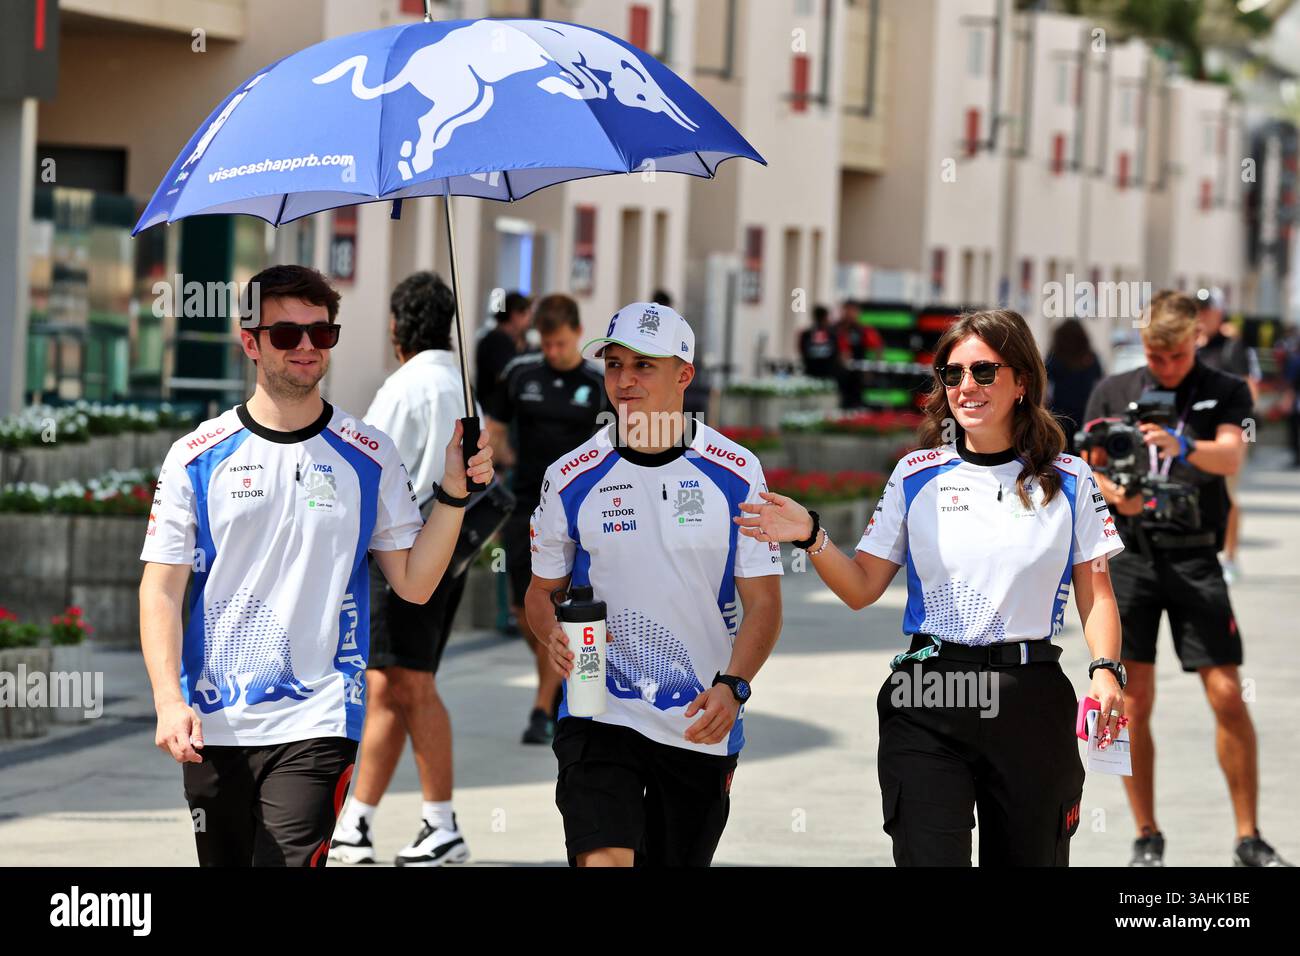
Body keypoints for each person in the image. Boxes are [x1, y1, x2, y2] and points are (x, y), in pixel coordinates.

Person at [737, 308, 1126, 866]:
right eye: (953, 373)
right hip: (928, 693)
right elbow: (862, 587)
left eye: (985, 372)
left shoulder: (1069, 478)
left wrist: (1107, 671)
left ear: (1022, 382)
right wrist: (811, 534)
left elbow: (1097, 592)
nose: (967, 386)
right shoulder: (915, 474)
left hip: (1030, 698)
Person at [139, 264, 493, 867]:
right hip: (214, 724)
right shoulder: (195, 457)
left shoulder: (369, 454)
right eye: (286, 334)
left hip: (321, 716)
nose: (307, 346)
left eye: (321, 333)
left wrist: (455, 494)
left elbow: (414, 582)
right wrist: (169, 700)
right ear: (250, 342)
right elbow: (161, 590)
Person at [532, 302, 784, 867]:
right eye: (614, 364)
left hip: (698, 718)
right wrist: (551, 631)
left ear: (684, 375)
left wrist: (734, 686)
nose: (624, 380)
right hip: (598, 711)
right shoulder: (570, 475)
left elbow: (764, 602)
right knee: (605, 859)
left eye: (643, 366)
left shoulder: (736, 471)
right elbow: (538, 593)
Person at [1083, 290, 1290, 867]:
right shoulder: (1114, 391)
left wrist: (1184, 446)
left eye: (1173, 355)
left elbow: (1232, 458)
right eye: (1154, 354)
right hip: (1131, 558)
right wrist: (1113, 494)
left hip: (1197, 553)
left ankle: (1248, 836)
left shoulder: (1224, 390)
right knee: (1133, 700)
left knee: (1226, 692)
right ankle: (1146, 835)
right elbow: (1086, 470)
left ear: (1196, 340)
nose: (1163, 366)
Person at [329, 272, 485, 866]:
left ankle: (441, 823)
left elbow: (369, 471)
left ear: (396, 327)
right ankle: (356, 825)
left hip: (403, 555)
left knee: (409, 685)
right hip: (448, 550)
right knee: (390, 686)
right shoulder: (462, 384)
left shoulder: (404, 386)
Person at [483, 294, 609, 745]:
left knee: (564, 610)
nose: (552, 352)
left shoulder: (597, 383)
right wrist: (502, 459)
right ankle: (554, 687)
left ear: (577, 333)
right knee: (525, 610)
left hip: (578, 516)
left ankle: (543, 707)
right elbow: (494, 428)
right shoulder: (521, 374)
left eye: (559, 343)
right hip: (523, 506)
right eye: (545, 344)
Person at [1195, 288, 1261, 584]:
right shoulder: (1191, 346)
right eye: (1197, 310)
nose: (1202, 316)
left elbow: (1251, 390)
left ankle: (1230, 557)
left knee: (1226, 491)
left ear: (1219, 313)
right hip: (1197, 431)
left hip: (1233, 428)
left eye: (1207, 310)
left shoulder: (1233, 348)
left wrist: (1242, 430)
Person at [1045, 318, 1104, 454]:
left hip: (1059, 412)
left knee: (1060, 452)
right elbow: (1099, 383)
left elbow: (1045, 384)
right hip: (1085, 411)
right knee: (1082, 450)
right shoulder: (1090, 358)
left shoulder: (1055, 357)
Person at [475, 290, 532, 414]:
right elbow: (507, 376)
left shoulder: (515, 340)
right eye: (527, 314)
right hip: (492, 411)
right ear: (515, 314)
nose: (529, 320)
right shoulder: (495, 340)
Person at [798, 305, 839, 381]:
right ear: (825, 317)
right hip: (828, 373)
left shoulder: (807, 334)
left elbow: (802, 350)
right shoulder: (831, 334)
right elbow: (836, 351)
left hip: (810, 372)